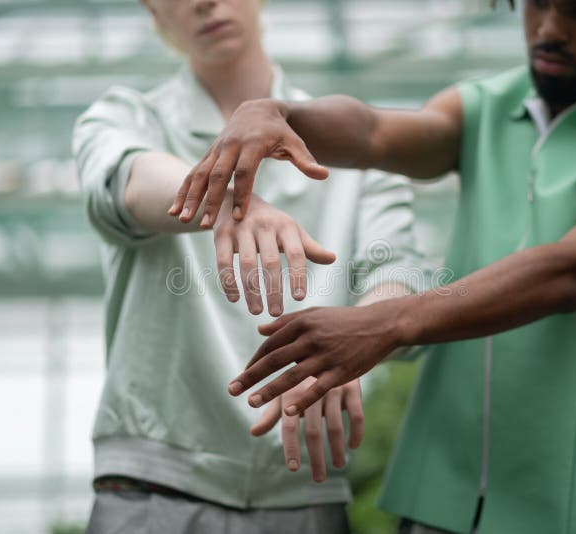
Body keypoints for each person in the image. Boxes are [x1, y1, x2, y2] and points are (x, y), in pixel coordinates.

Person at [169, 0, 576, 532]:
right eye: (538, 5)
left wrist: (388, 320)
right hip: (437, 500)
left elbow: (569, 273)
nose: (550, 28)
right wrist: (281, 115)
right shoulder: (486, 105)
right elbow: (374, 134)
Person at [72, 0, 429, 532]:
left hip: (303, 486)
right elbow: (123, 183)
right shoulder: (127, 118)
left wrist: (359, 337)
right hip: (154, 485)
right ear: (154, 15)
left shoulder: (354, 146)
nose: (203, 3)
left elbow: (395, 269)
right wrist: (228, 203)